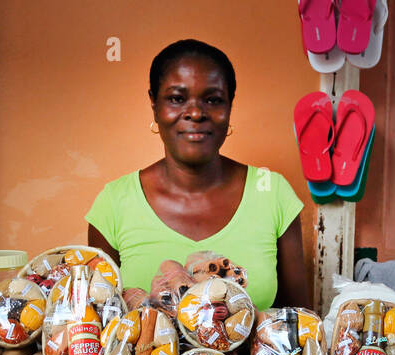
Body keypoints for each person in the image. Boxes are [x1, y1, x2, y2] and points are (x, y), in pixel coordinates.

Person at [86, 39, 308, 309]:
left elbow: (299, 322)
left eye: (213, 100)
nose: (195, 113)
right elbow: (101, 321)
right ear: (154, 104)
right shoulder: (114, 203)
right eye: (177, 99)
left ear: (229, 106)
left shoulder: (272, 193)